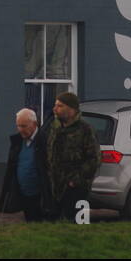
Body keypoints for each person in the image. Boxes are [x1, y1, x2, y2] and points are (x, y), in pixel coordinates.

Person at [45, 92, 100, 223]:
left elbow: (94, 159)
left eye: (60, 106)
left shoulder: (85, 130)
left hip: (76, 188)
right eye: (55, 105)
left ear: (72, 109)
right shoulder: (54, 127)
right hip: (55, 187)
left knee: (76, 225)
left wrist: (75, 181)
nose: (55, 109)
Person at [0, 107, 51, 221]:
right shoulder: (17, 143)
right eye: (18, 126)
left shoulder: (45, 141)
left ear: (35, 124)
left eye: (24, 126)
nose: (20, 129)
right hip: (24, 195)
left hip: (41, 197)